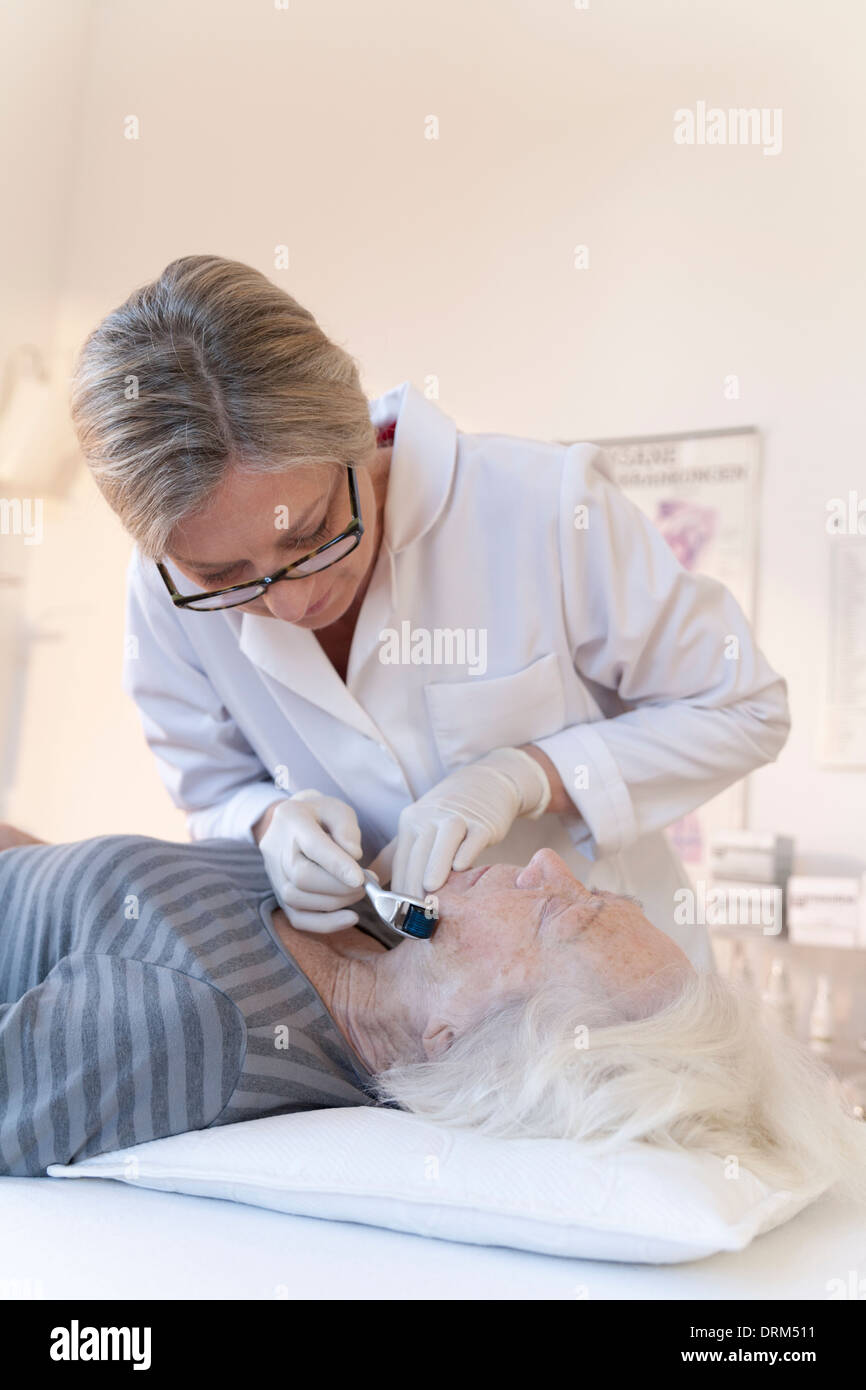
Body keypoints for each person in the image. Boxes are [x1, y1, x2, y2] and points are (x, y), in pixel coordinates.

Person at [68, 255, 791, 969]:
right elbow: (212, 791)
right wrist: (267, 824)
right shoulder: (164, 586)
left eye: (313, 532)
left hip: (619, 1001)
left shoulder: (540, 504)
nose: (288, 602)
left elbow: (743, 710)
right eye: (223, 575)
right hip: (395, 1013)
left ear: (356, 435)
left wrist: (526, 776)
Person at [1, 823, 862, 1204]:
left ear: (457, 1027)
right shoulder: (367, 925)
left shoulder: (190, 1030)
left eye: (559, 911)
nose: (547, 865)